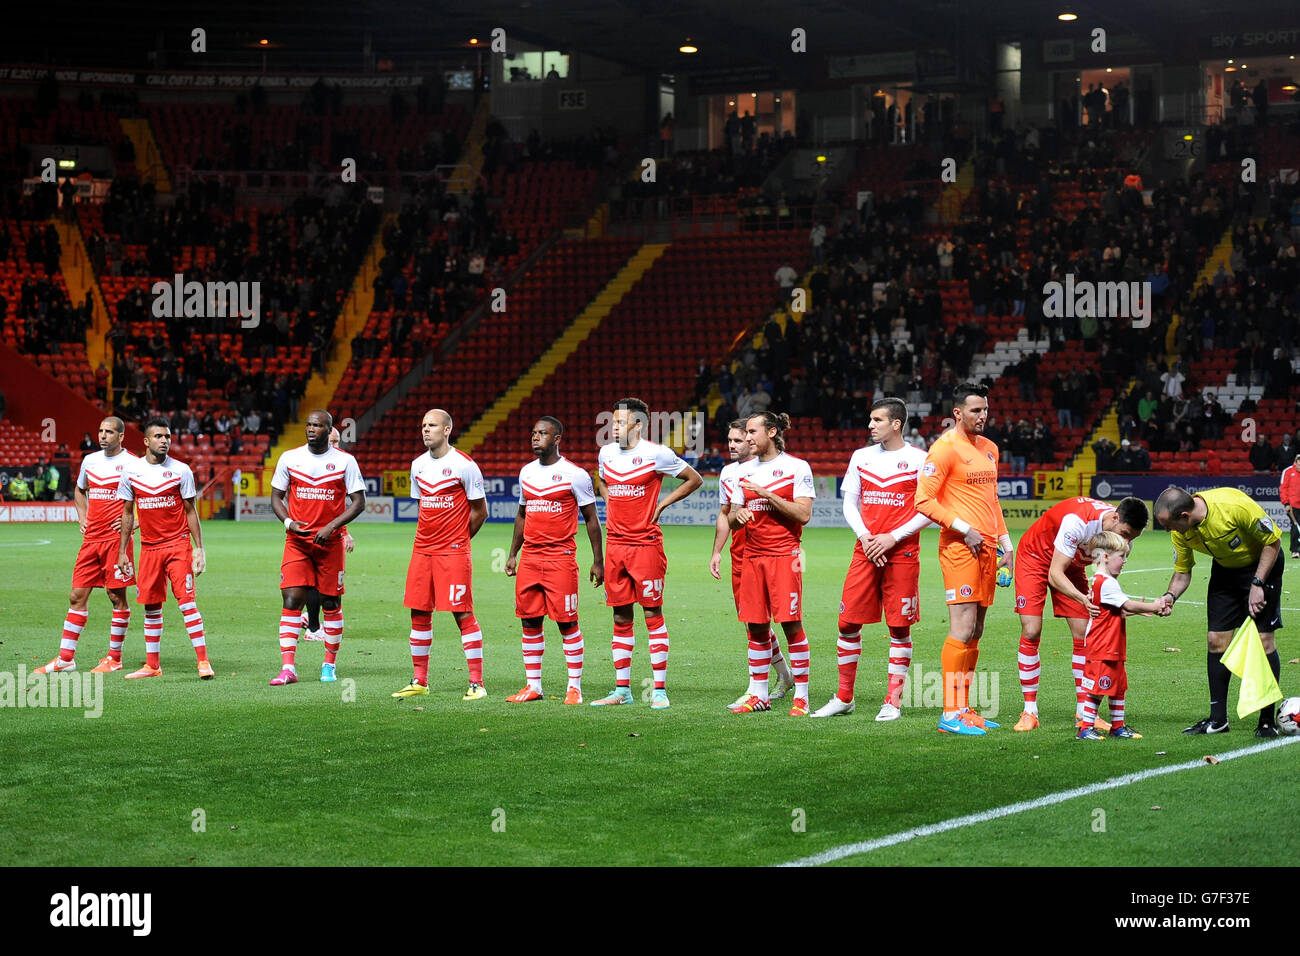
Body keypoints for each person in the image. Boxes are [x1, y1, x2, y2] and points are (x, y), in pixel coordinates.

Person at [813, 398, 931, 720]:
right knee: (847, 622)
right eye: (870, 419)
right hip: (865, 550)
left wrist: (893, 537)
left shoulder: (920, 460)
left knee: (899, 628)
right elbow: (850, 503)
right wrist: (866, 536)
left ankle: (892, 702)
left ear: (896, 424)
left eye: (877, 420)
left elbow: (928, 511)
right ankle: (843, 698)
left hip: (902, 553)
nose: (870, 425)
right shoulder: (861, 457)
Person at [914, 382, 1013, 736]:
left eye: (985, 410)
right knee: (962, 627)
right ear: (957, 413)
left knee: (977, 629)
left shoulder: (989, 449)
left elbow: (992, 501)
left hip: (987, 548)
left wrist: (1006, 543)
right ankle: (950, 713)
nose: (983, 416)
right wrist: (962, 528)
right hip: (959, 547)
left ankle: (965, 707)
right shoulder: (944, 449)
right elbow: (923, 501)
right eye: (975, 410)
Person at [590, 398, 702, 709]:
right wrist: (610, 501)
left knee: (652, 613)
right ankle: (622, 690)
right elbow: (602, 480)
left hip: (646, 545)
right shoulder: (606, 453)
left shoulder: (656, 454)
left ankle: (660, 691)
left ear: (638, 424)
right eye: (611, 421)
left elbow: (695, 479)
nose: (613, 427)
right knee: (620, 615)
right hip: (616, 546)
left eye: (620, 422)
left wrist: (664, 503)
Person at [1009, 495, 1150, 732]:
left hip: (1072, 565)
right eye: (1124, 533)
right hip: (1036, 557)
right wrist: (1083, 599)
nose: (1125, 541)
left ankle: (1085, 712)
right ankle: (1029, 711)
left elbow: (1106, 583)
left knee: (1085, 634)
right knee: (1031, 630)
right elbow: (1055, 572)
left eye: (1131, 538)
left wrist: (1120, 608)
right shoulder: (1078, 521)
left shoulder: (1124, 541)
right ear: (1115, 517)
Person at [1155, 486, 1285, 737]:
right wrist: (1170, 596)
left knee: (1263, 641)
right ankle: (1218, 720)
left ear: (1184, 515)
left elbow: (1273, 541)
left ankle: (1267, 721)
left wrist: (1257, 584)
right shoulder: (1181, 533)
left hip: (1263, 565)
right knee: (1216, 641)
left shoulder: (1233, 506)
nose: (1168, 531)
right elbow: (1182, 573)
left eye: (1168, 525)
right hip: (1226, 571)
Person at [504, 417, 604, 704]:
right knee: (529, 621)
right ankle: (533, 686)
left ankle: (575, 687)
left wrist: (598, 561)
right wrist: (513, 554)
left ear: (557, 439)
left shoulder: (575, 474)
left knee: (566, 623)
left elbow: (591, 519)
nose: (536, 437)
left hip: (560, 558)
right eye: (533, 432)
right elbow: (522, 515)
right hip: (531, 559)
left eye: (543, 433)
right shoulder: (526, 473)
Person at [392, 409, 489, 700]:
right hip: (422, 550)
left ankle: (476, 684)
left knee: (462, 613)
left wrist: (459, 540)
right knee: (419, 612)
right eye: (423, 425)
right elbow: (423, 508)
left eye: (432, 425)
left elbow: (481, 511)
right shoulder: (417, 466)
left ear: (447, 430)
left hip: (453, 552)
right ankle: (419, 681)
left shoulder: (464, 465)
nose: (425, 430)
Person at [727, 412, 816, 715]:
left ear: (772, 432)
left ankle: (801, 696)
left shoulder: (796, 467)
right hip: (752, 556)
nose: (748, 437)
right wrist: (736, 517)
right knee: (756, 627)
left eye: (752, 432)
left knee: (791, 625)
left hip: (785, 556)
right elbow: (732, 517)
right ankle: (760, 695)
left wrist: (766, 494)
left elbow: (803, 514)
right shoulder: (743, 472)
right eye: (746, 433)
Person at [268, 410, 366, 685]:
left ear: (329, 429)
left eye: (318, 426)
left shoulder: (345, 462)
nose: (312, 430)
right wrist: (288, 522)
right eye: (309, 425)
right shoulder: (290, 458)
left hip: (329, 544)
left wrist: (332, 527)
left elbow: (359, 502)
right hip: (297, 542)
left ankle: (329, 666)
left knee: (331, 602)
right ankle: (288, 668)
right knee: (291, 600)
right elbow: (276, 496)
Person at [34, 418, 138, 675]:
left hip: (117, 540)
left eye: (109, 432)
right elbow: (80, 490)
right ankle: (65, 659)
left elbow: (152, 496)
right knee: (76, 595)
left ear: (121, 436)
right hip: (91, 539)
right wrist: (83, 516)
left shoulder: (134, 463)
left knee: (116, 597)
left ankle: (114, 658)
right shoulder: (90, 461)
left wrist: (136, 521)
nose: (103, 436)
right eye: (101, 431)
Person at [111, 418, 212, 680]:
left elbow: (191, 511)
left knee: (187, 602)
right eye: (158, 436)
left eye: (167, 436)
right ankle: (152, 665)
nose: (164, 440)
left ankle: (203, 661)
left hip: (178, 545)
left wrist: (199, 549)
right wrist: (122, 552)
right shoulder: (131, 472)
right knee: (151, 606)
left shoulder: (181, 470)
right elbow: (126, 513)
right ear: (146, 441)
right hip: (149, 549)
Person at [711, 419, 794, 706]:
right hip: (741, 557)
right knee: (753, 624)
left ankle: (755, 688)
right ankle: (783, 675)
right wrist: (717, 551)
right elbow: (725, 515)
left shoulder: (772, 471)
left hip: (772, 554)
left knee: (774, 621)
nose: (733, 445)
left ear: (752, 440)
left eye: (739, 439)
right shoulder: (728, 473)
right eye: (731, 440)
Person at [1075, 531, 1169, 740]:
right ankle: (1085, 728)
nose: (1125, 561)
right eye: (1122, 556)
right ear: (1106, 557)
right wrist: (1154, 606)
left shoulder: (1103, 580)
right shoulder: (1105, 582)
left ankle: (1117, 726)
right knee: (1098, 689)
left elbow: (1120, 610)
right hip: (1102, 645)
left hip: (1112, 644)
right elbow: (1126, 604)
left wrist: (1139, 610)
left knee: (1118, 686)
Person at [300, 427, 356, 642]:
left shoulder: (342, 463)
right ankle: (313, 627)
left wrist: (344, 531)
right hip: (311, 533)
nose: (335, 446)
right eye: (332, 441)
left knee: (326, 585)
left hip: (332, 533)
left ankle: (313, 622)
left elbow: (338, 506)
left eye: (337, 441)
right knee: (314, 583)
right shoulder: (308, 463)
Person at [1282, 453, 1300, 559]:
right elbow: (1283, 488)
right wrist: (1286, 503)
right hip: (1293, 506)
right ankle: (1295, 550)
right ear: (1295, 463)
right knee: (1295, 527)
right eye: (1299, 465)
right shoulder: (1288, 472)